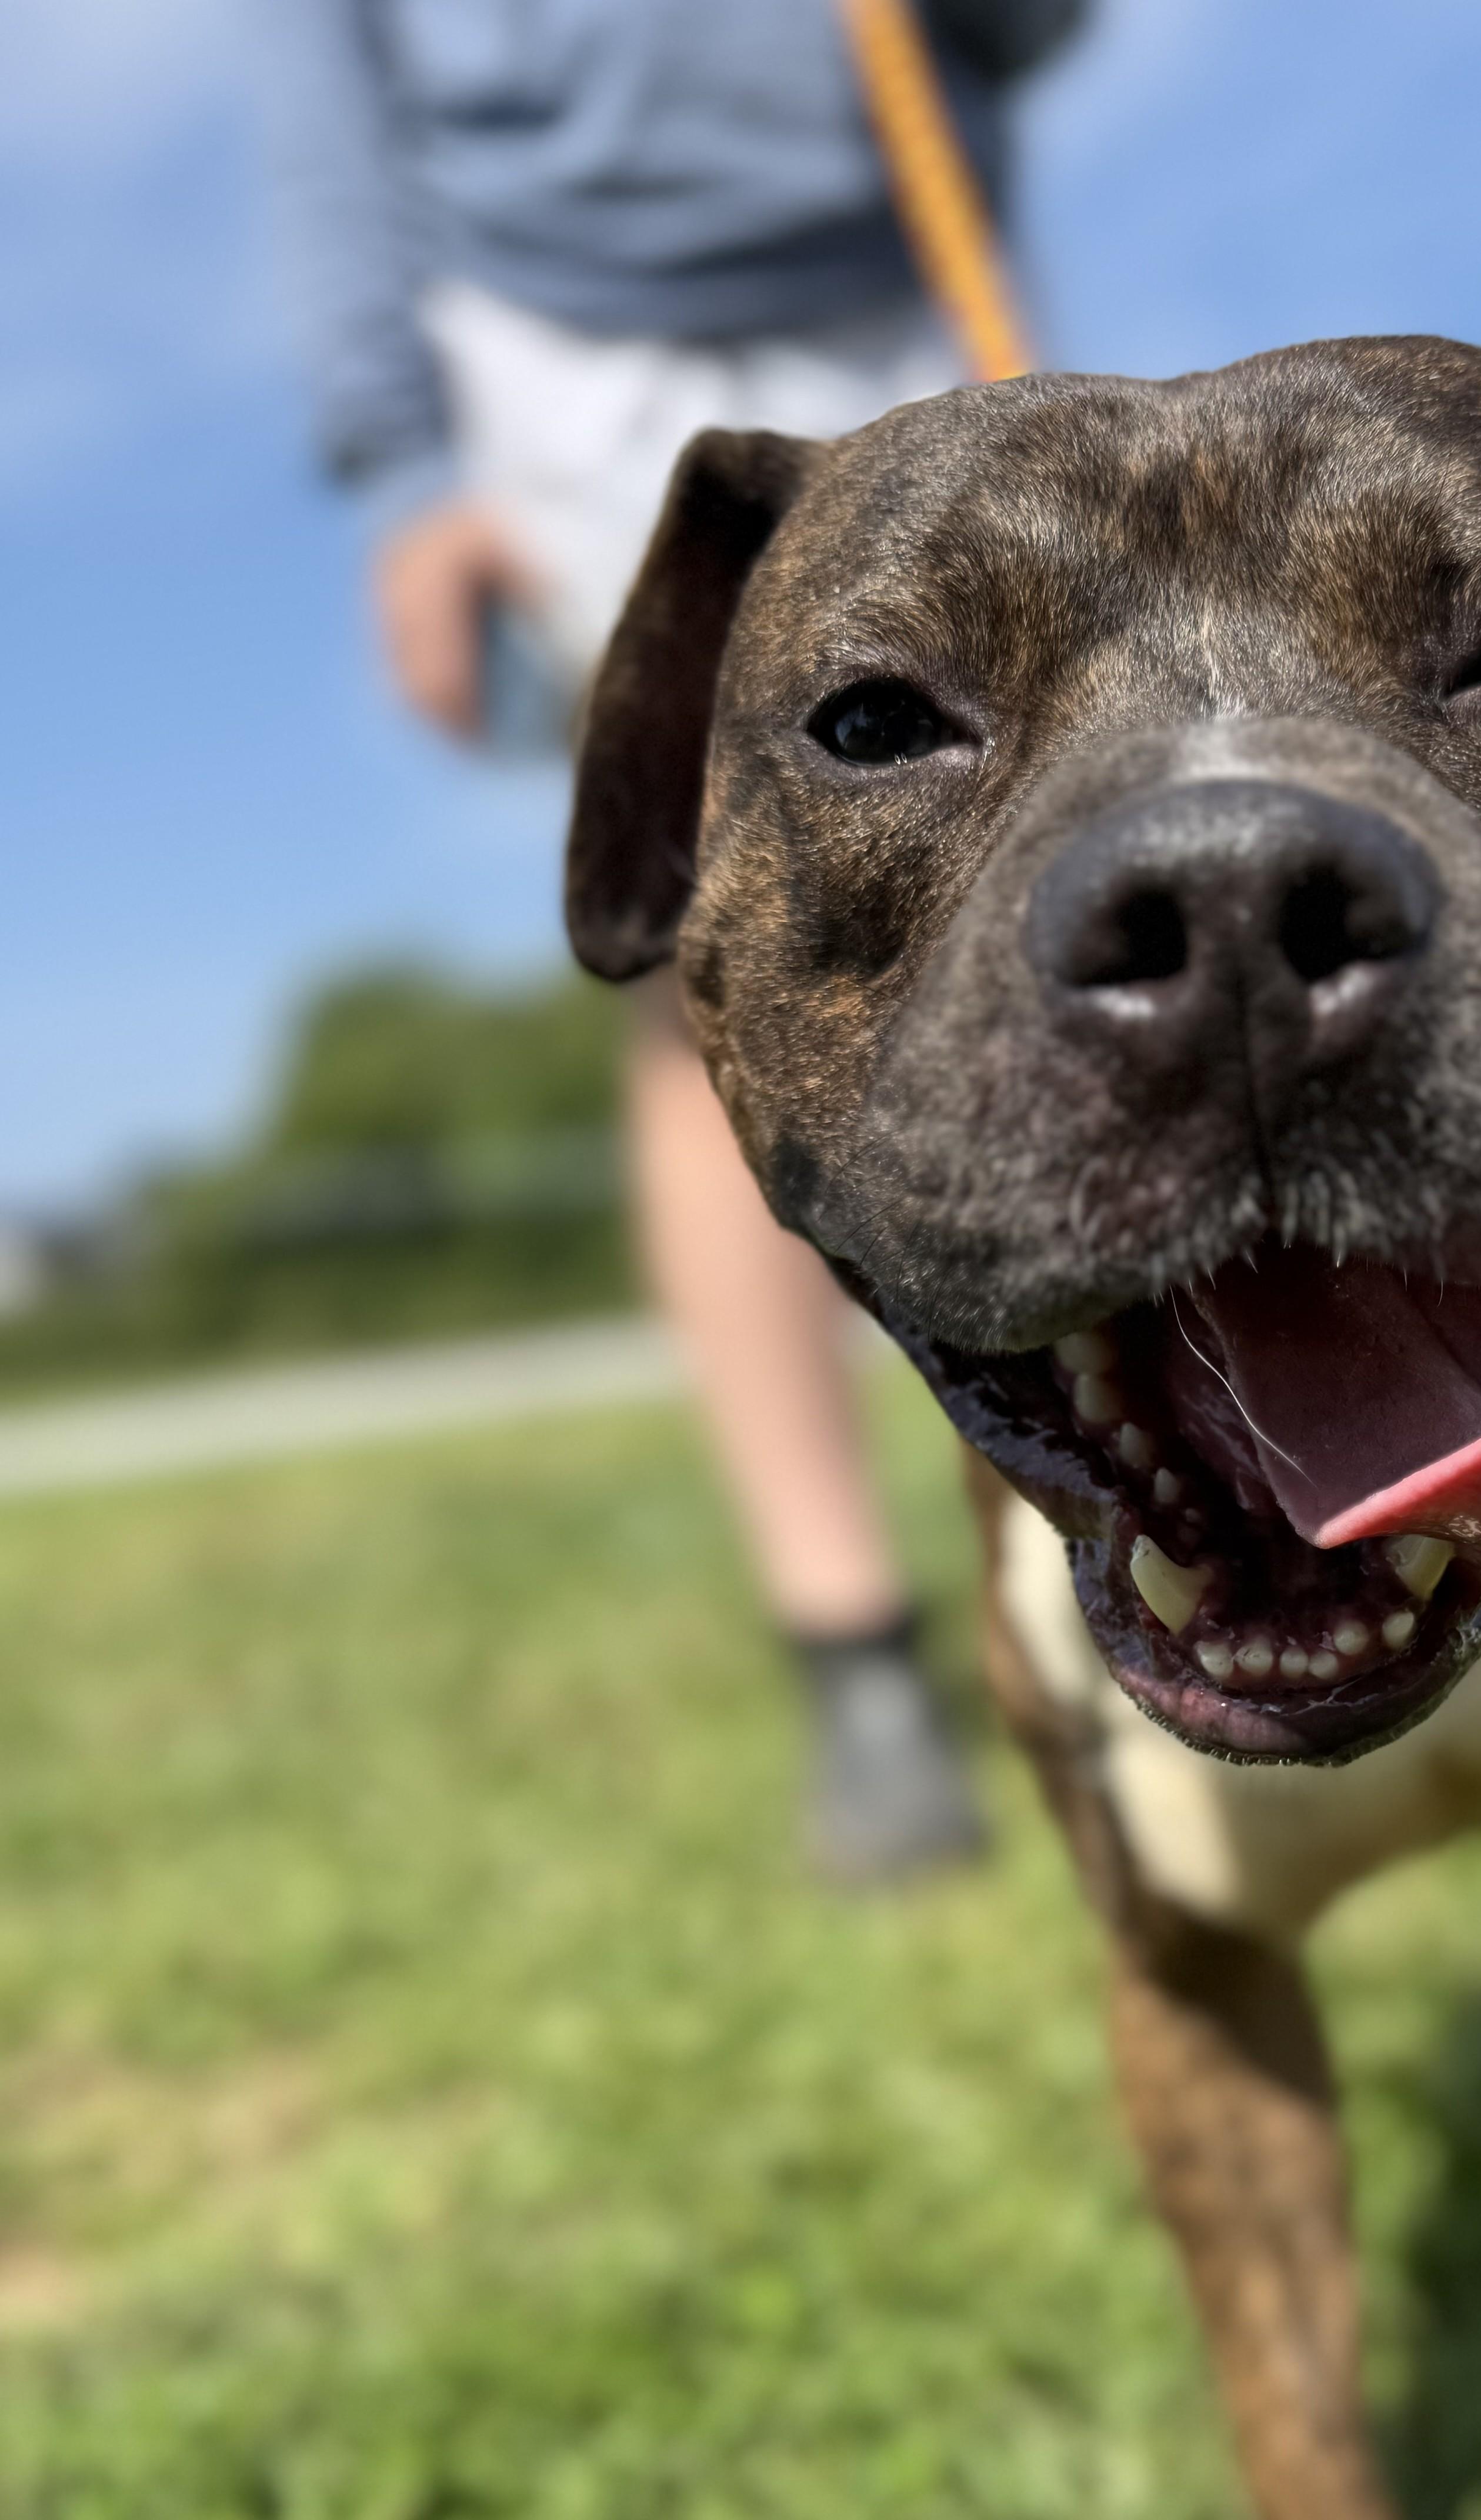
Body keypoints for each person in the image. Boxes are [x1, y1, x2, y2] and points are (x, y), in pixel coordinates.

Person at [257, 0, 1085, 1882]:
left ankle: (1139, 1537)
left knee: (1041, 892)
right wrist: (401, 462)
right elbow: (323, 79)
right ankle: (854, 1641)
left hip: (903, 262)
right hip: (569, 333)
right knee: (735, 941)